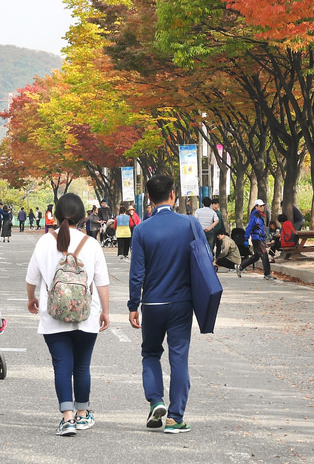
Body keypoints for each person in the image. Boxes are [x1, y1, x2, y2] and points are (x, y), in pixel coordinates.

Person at [25, 193, 110, 436]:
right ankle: (83, 415)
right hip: (87, 315)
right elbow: (102, 283)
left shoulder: (44, 242)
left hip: (54, 315)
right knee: (82, 366)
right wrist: (105, 311)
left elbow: (32, 278)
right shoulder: (91, 244)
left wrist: (32, 298)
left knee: (62, 365)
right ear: (83, 218)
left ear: (58, 215)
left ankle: (68, 419)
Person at [128, 174, 207, 434]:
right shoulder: (190, 224)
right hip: (182, 302)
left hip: (152, 304)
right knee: (179, 356)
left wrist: (133, 305)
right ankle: (175, 418)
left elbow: (137, 273)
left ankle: (156, 401)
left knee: (150, 353)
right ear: (173, 195)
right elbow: (204, 260)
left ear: (148, 198)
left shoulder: (141, 230)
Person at [236, 199, 273, 281]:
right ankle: (267, 274)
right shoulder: (255, 216)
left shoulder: (259, 216)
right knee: (264, 255)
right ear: (256, 207)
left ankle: (241, 266)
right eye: (260, 206)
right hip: (257, 239)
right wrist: (246, 238)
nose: (262, 207)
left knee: (256, 257)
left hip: (260, 239)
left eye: (263, 205)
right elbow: (249, 227)